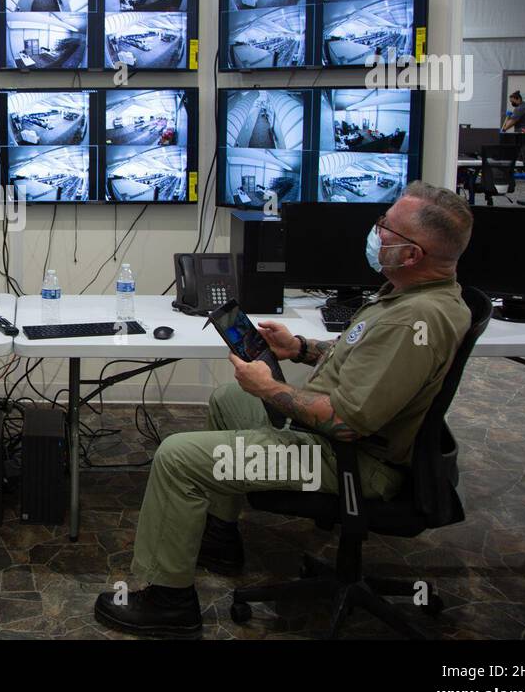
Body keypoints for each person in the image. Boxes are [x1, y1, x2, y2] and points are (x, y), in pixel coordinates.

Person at [94, 181, 474, 638]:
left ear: (413, 254)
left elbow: (347, 422)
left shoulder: (416, 319)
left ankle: (168, 601)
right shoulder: (411, 297)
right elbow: (364, 359)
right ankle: (220, 537)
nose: (375, 234)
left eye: (385, 227)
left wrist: (271, 388)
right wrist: (300, 347)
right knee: (229, 398)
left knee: (177, 457)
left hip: (351, 460)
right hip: (339, 441)